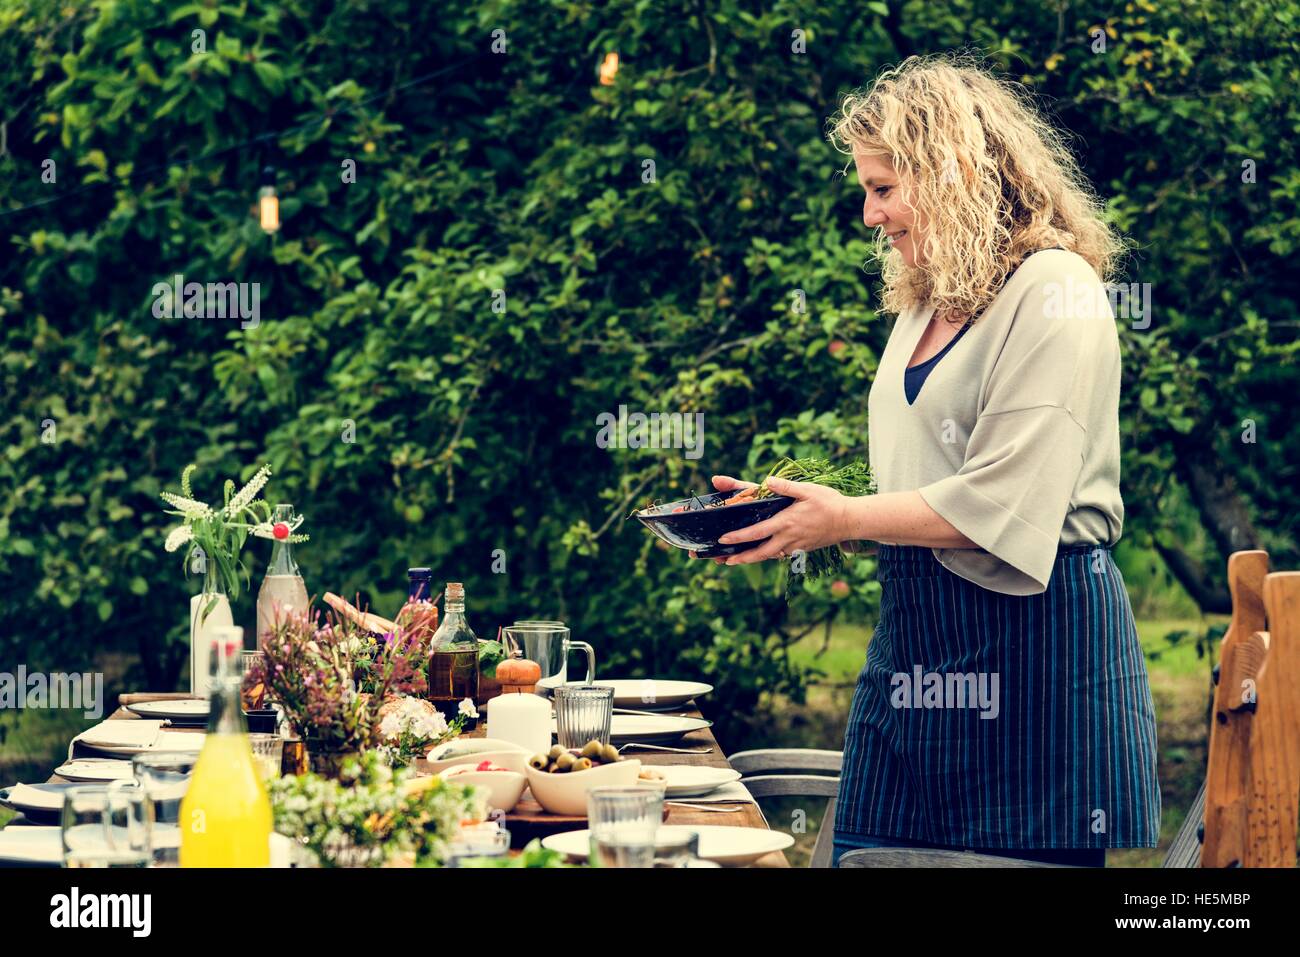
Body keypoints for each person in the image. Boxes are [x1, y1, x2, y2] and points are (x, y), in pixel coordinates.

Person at [698, 54, 1160, 867]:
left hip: (1033, 655)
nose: (869, 214)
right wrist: (800, 512)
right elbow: (921, 480)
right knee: (864, 856)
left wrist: (842, 516)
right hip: (913, 641)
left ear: (952, 171)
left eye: (883, 187)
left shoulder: (1055, 290)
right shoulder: (925, 299)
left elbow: (1004, 504)